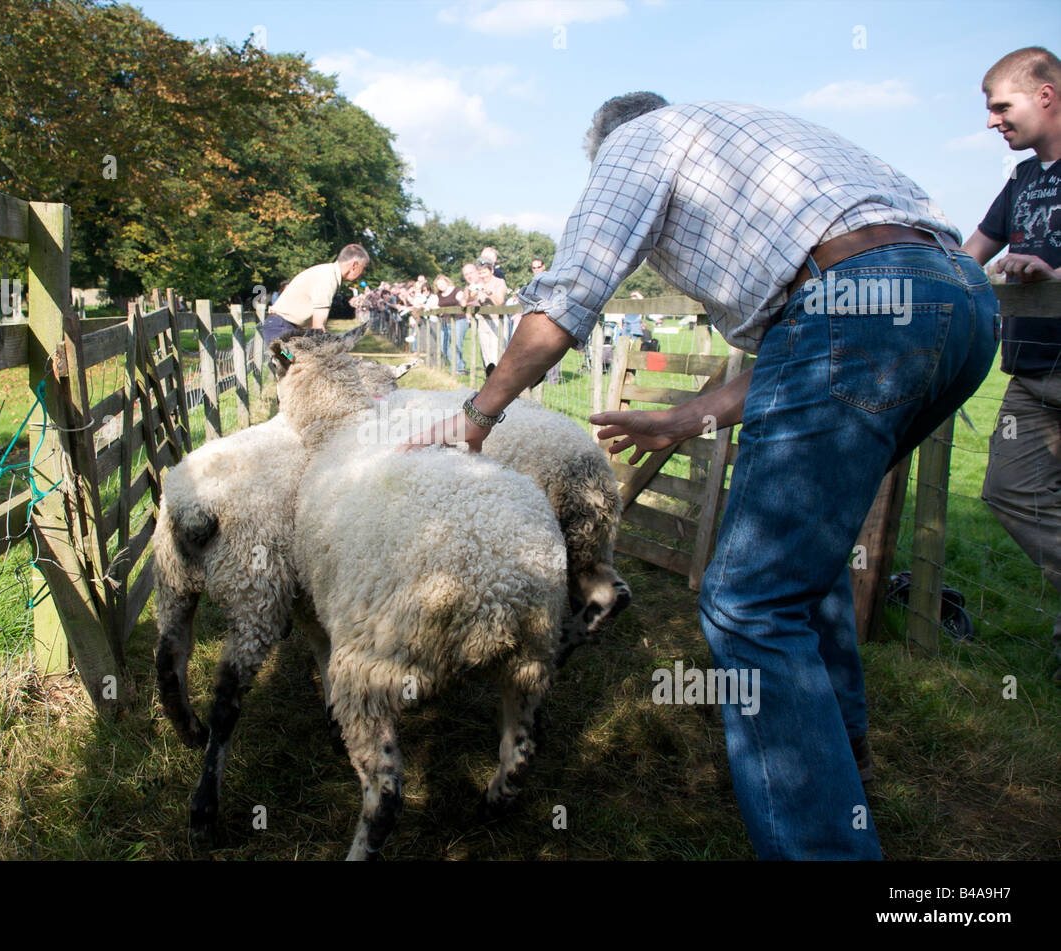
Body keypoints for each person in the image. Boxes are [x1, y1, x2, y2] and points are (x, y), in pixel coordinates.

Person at [401, 92, 999, 860]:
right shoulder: (756, 140)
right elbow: (822, 325)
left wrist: (478, 414)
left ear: (604, 144)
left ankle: (821, 846)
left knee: (746, 603)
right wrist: (686, 418)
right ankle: (842, 767)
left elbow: (572, 294)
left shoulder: (639, 141)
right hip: (959, 301)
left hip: (859, 307)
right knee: (799, 572)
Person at [961, 46, 1061, 683]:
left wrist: (1052, 274)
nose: (993, 121)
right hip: (1031, 370)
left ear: (1046, 93)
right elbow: (970, 254)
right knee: (1009, 491)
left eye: (1003, 105)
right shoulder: (1022, 181)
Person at [262, 244, 368, 345]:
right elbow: (317, 328)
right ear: (354, 265)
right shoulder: (328, 278)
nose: (363, 273)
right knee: (288, 358)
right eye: (364, 268)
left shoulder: (328, 273)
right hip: (280, 329)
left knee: (296, 361)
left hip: (285, 327)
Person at [431, 273, 468, 374]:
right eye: (438, 285)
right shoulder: (438, 295)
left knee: (456, 344)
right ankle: (459, 364)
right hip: (445, 322)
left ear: (447, 282)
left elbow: (462, 299)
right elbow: (432, 305)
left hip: (459, 320)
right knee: (443, 345)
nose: (441, 286)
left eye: (442, 283)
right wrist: (437, 308)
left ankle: (457, 368)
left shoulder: (456, 290)